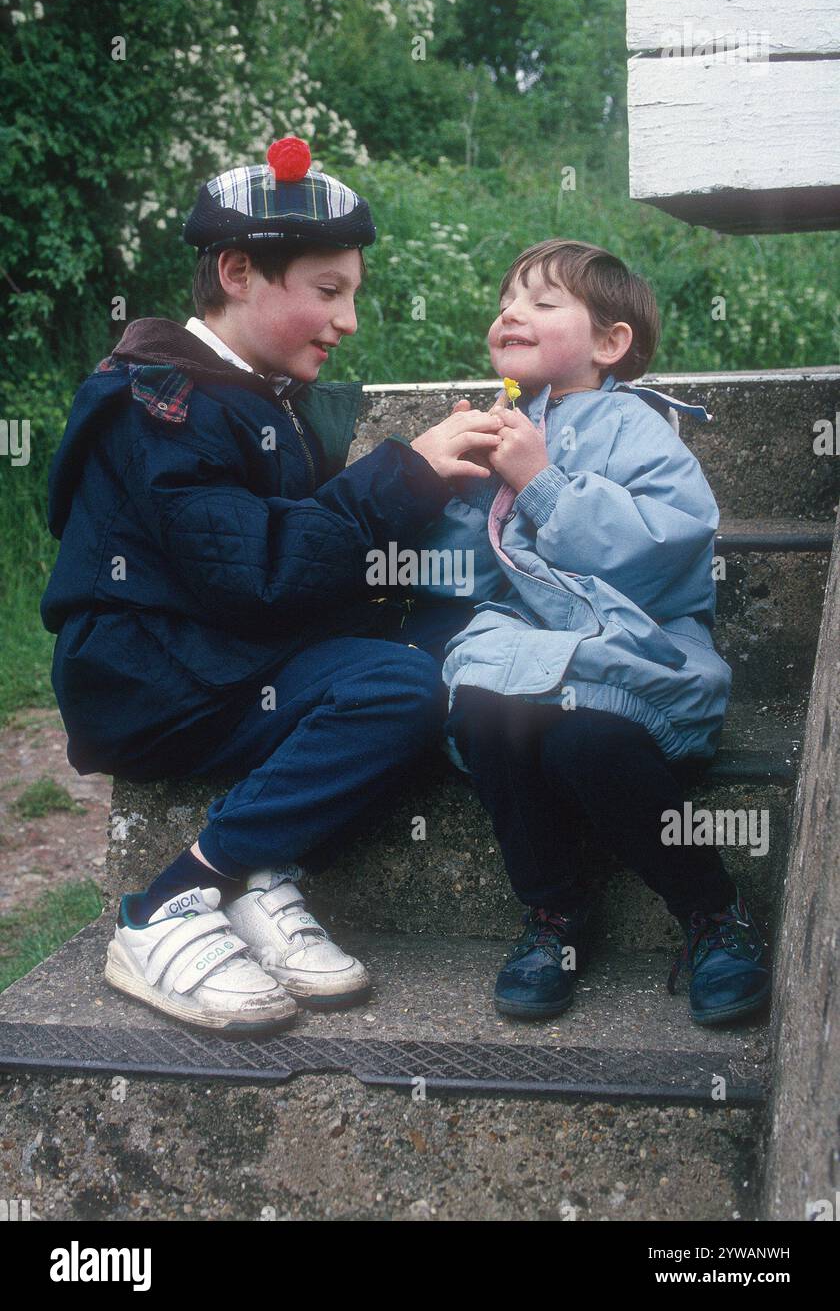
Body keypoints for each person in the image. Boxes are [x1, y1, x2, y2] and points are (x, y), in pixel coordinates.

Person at [40, 136, 502, 1032]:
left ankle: (258, 875)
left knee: (436, 637)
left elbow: (296, 555)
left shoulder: (254, 395)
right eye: (329, 292)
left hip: (216, 651)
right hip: (148, 676)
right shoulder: (163, 400)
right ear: (241, 271)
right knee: (398, 685)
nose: (349, 320)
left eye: (354, 294)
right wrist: (403, 475)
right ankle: (171, 904)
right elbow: (253, 572)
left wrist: (434, 496)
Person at [420, 237, 770, 1025]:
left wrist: (542, 484)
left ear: (610, 344)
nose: (513, 311)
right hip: (524, 647)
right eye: (508, 299)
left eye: (544, 302)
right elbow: (461, 580)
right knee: (482, 705)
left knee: (586, 741)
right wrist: (450, 490)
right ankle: (554, 914)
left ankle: (712, 910)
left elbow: (669, 550)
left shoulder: (637, 427)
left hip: (634, 650)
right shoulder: (498, 421)